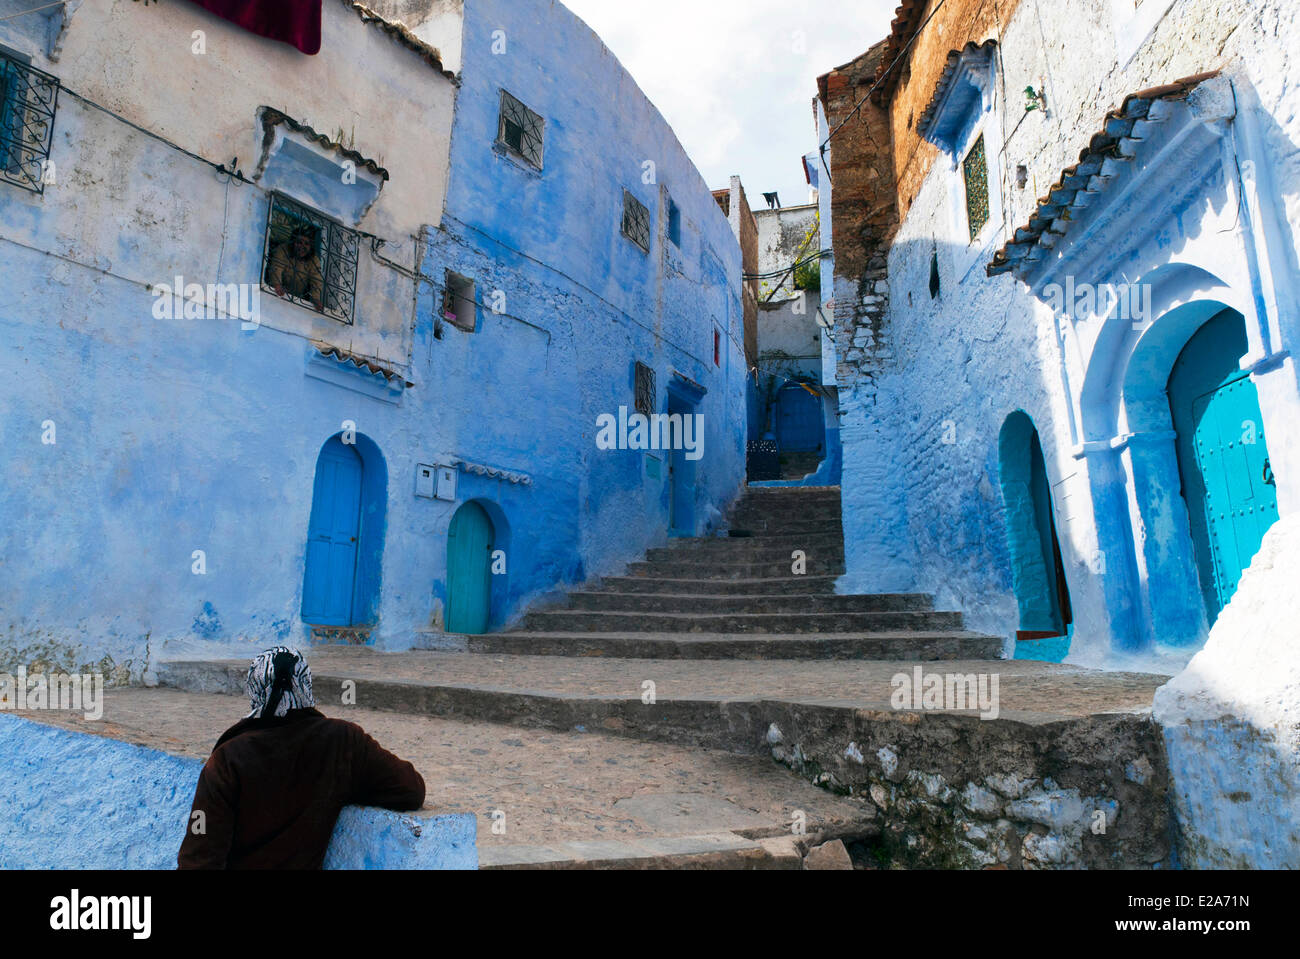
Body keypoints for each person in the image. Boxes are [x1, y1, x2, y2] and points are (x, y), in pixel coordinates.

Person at [177, 647, 425, 869]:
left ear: (253, 691)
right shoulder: (342, 741)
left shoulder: (227, 760)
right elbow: (411, 790)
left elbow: (198, 858)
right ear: (306, 686)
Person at [265, 225, 325, 311]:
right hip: (274, 293)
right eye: (299, 242)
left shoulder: (314, 260)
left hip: (296, 298)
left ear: (311, 247)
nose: (302, 246)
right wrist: (277, 285)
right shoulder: (283, 249)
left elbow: (316, 280)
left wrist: (316, 299)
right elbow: (277, 267)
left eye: (306, 244)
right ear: (293, 242)